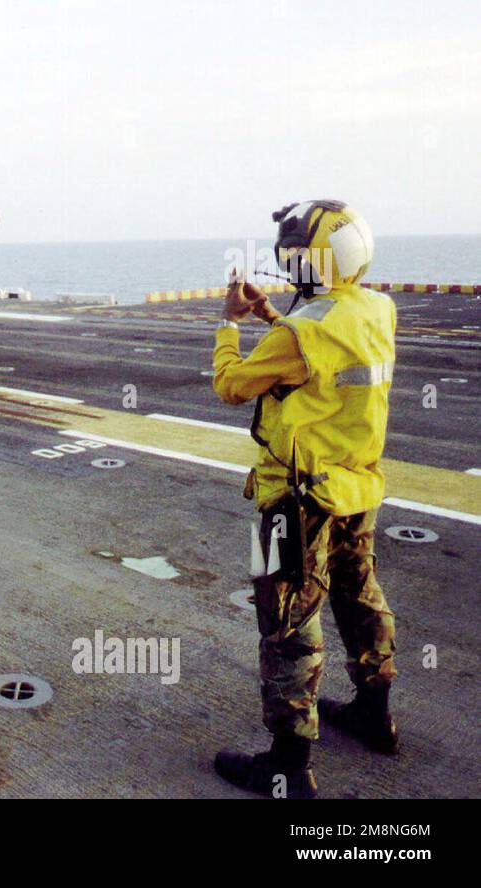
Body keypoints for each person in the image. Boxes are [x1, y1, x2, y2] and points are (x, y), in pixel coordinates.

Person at [210, 201, 398, 799]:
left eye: (296, 255)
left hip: (296, 501)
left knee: (289, 627)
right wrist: (271, 313)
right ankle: (375, 713)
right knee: (359, 595)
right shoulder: (375, 308)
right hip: (357, 487)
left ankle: (288, 767)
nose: (289, 264)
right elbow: (316, 359)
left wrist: (230, 323)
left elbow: (231, 386)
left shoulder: (302, 332)